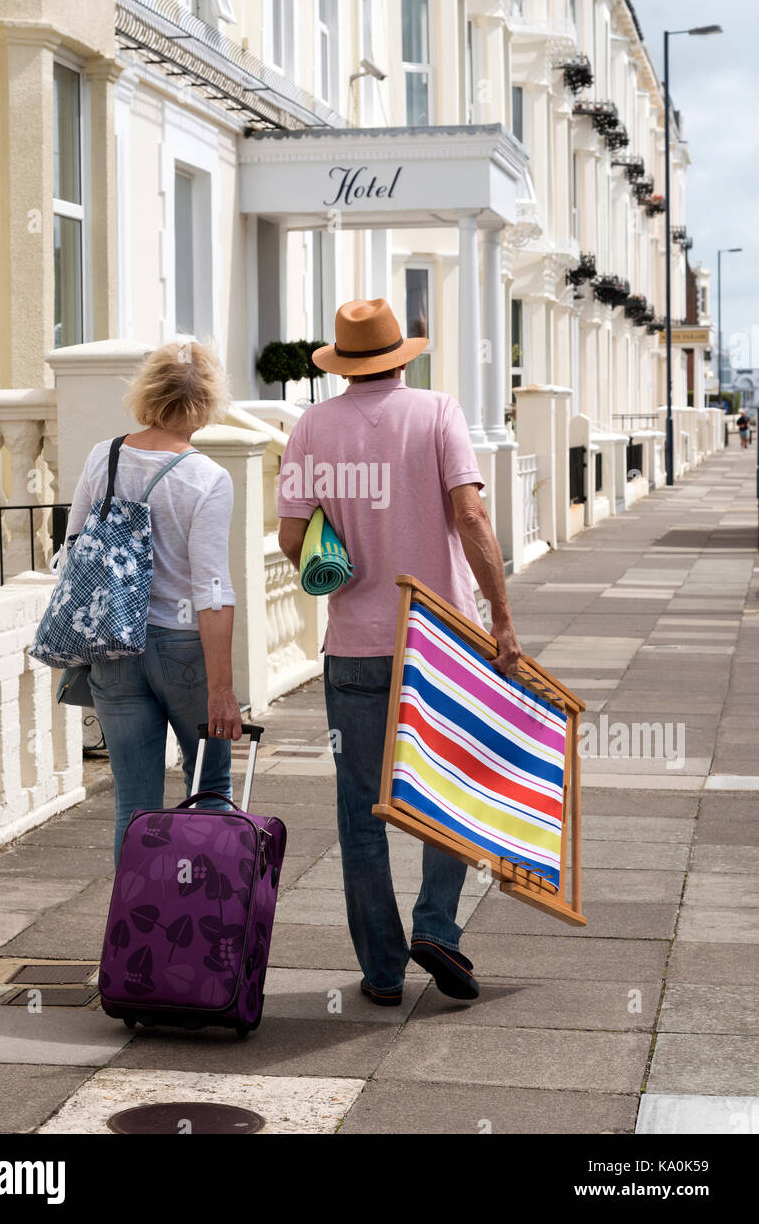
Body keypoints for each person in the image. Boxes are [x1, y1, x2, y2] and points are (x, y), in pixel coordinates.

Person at [277, 299, 521, 1007]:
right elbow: (470, 514)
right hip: (442, 641)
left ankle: (382, 972)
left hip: (354, 643)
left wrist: (338, 549)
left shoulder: (311, 428)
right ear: (401, 356)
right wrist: (501, 620)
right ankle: (436, 925)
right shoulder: (438, 412)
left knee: (361, 810)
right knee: (450, 789)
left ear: (342, 363)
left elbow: (293, 539)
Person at [60, 342, 243, 861]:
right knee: (210, 792)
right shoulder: (206, 478)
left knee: (133, 807)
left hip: (113, 642)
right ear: (206, 402)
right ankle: (206, 927)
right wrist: (222, 689)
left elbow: (73, 547)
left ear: (147, 391)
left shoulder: (106, 455)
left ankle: (137, 936)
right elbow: (212, 590)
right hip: (184, 645)